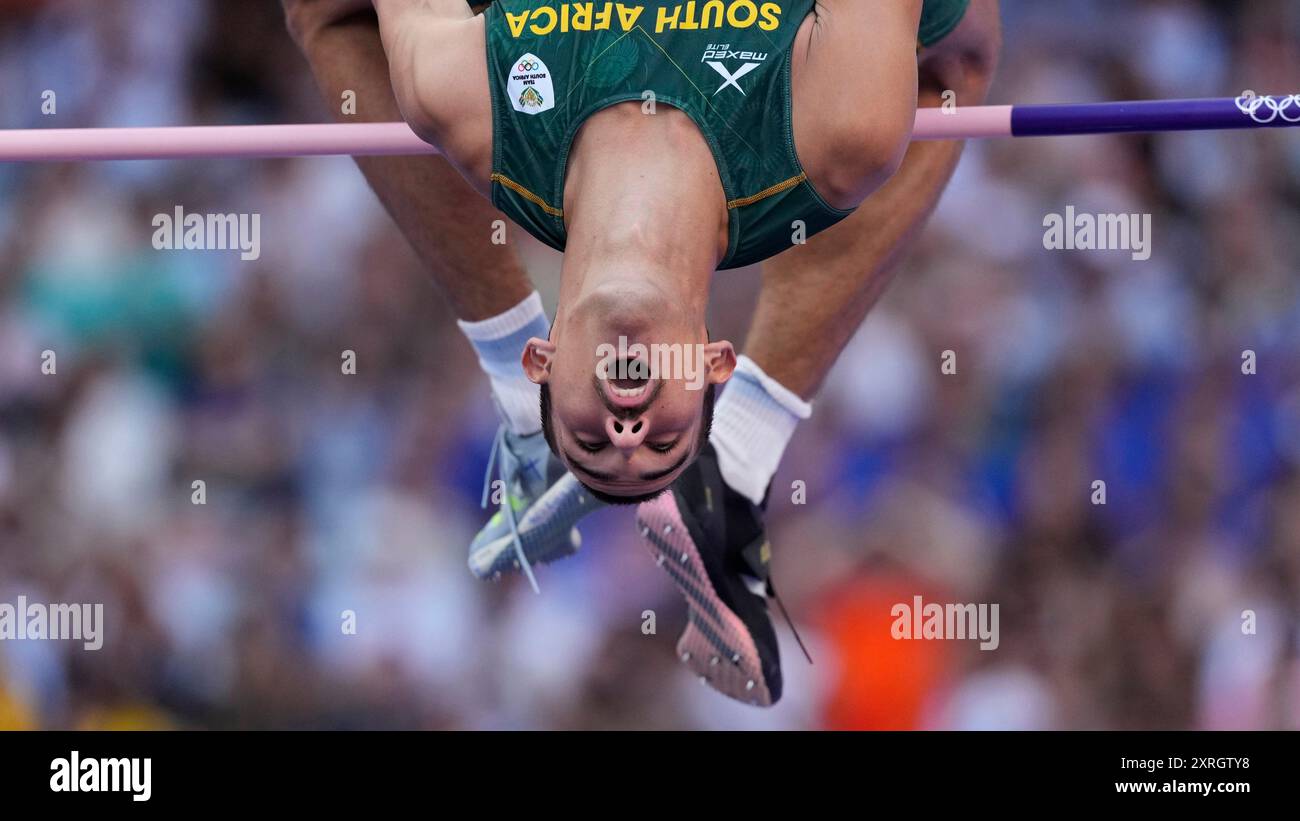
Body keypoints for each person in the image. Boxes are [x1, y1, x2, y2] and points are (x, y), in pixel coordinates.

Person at [281, 0, 1000, 704]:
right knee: (960, 51)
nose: (627, 428)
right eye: (664, 438)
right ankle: (743, 442)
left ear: (547, 359)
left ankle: (510, 369)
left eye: (591, 437)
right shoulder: (837, 131)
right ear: (715, 363)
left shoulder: (464, 98)